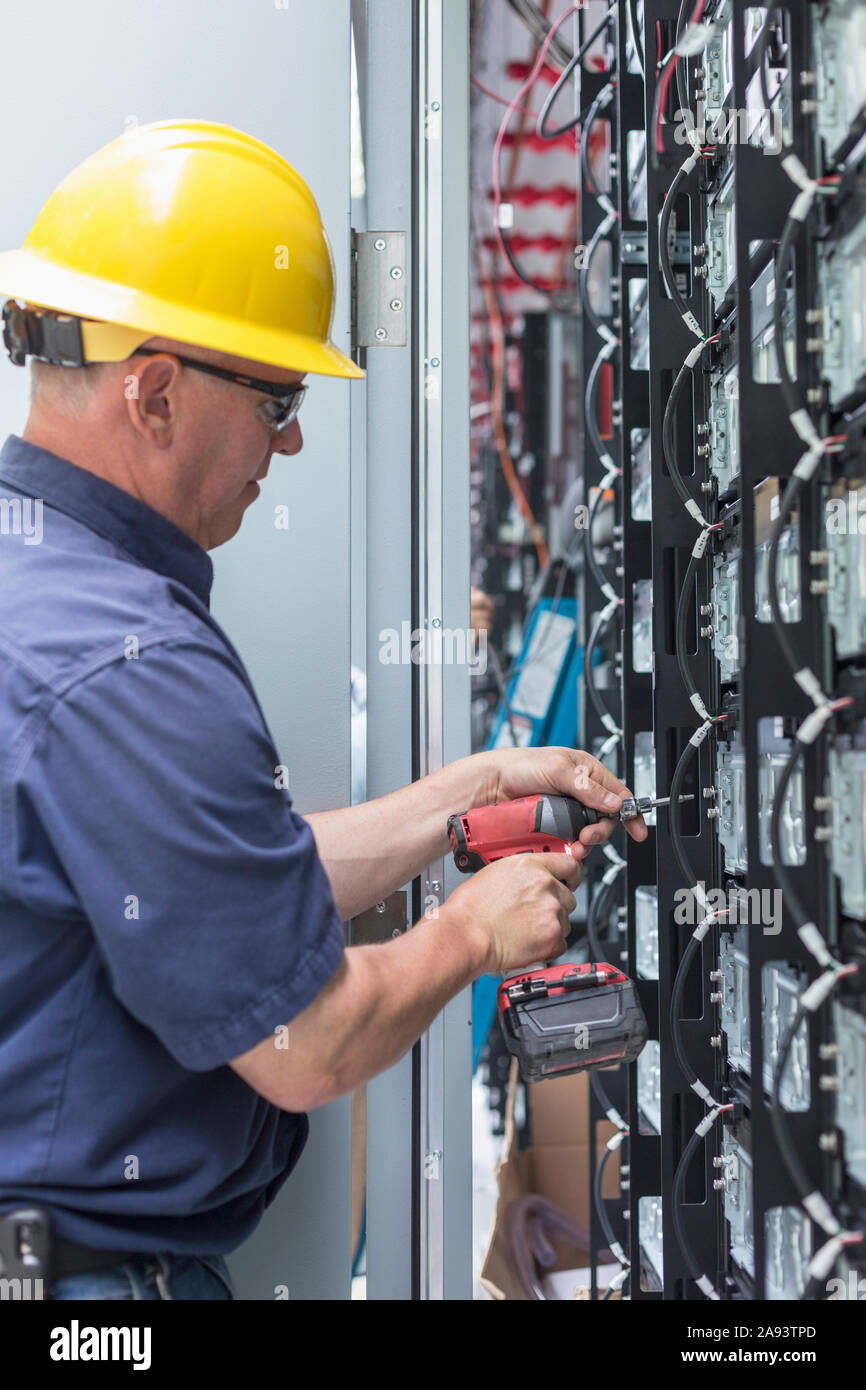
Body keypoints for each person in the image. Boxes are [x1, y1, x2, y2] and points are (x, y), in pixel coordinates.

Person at [0, 120, 646, 1301]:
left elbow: (211, 886)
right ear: (152, 392)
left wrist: (468, 800)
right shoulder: (124, 660)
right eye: (276, 395)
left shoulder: (40, 584)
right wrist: (475, 933)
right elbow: (306, 1045)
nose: (290, 439)